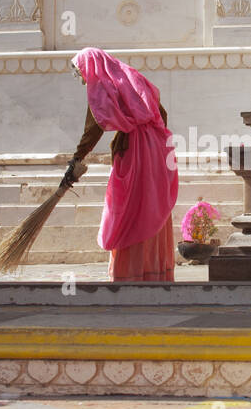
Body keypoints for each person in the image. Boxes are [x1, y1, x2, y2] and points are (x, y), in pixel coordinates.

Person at [66, 48, 179, 282]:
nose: (82, 78)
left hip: (134, 152)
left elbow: (93, 129)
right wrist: (150, 139)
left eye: (80, 72)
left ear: (91, 67)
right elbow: (162, 113)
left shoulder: (102, 85)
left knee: (130, 208)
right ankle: (155, 269)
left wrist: (77, 158)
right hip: (156, 148)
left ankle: (130, 272)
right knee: (152, 202)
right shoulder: (131, 76)